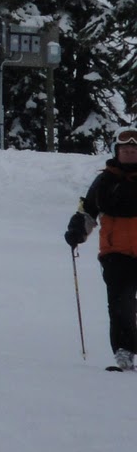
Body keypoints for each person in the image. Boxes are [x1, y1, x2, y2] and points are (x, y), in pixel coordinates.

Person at [65, 127, 137, 370]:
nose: (129, 152)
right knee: (121, 307)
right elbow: (87, 211)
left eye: (134, 149)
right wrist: (77, 230)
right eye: (125, 149)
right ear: (116, 152)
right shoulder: (104, 181)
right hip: (115, 254)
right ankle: (124, 354)